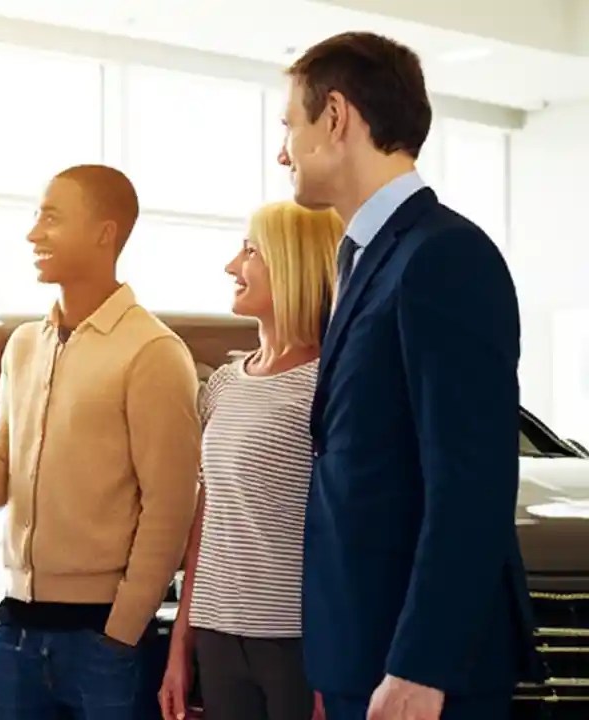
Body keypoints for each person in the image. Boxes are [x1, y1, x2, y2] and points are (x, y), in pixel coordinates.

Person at [281, 32, 544, 720]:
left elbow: (471, 482)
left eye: (290, 126)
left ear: (335, 117)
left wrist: (420, 666)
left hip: (421, 673)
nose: (282, 151)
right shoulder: (363, 259)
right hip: (361, 650)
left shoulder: (444, 256)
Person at [0, 164, 202, 719]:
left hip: (101, 638)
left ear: (104, 233)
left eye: (51, 217)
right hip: (13, 627)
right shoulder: (22, 346)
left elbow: (171, 503)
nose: (33, 233)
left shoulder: (152, 352)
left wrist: (123, 628)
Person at [159, 201, 341, 720]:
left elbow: (339, 532)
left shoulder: (327, 387)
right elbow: (209, 519)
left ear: (291, 263)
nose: (232, 266)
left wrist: (332, 668)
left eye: (249, 250)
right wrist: (180, 646)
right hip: (218, 635)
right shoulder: (223, 384)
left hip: (295, 642)